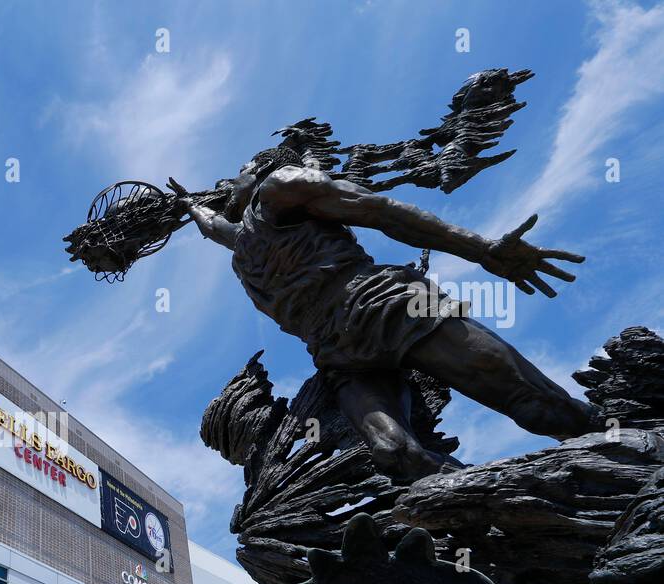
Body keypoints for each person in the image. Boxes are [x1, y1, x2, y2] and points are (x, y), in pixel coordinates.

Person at [171, 151, 594, 481]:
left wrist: (483, 250)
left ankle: (628, 442)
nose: (229, 182)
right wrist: (187, 203)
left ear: (263, 168)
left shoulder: (282, 185)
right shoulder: (242, 239)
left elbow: (382, 211)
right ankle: (502, 512)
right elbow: (210, 226)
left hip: (385, 302)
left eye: (239, 171)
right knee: (397, 456)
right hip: (334, 348)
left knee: (539, 407)